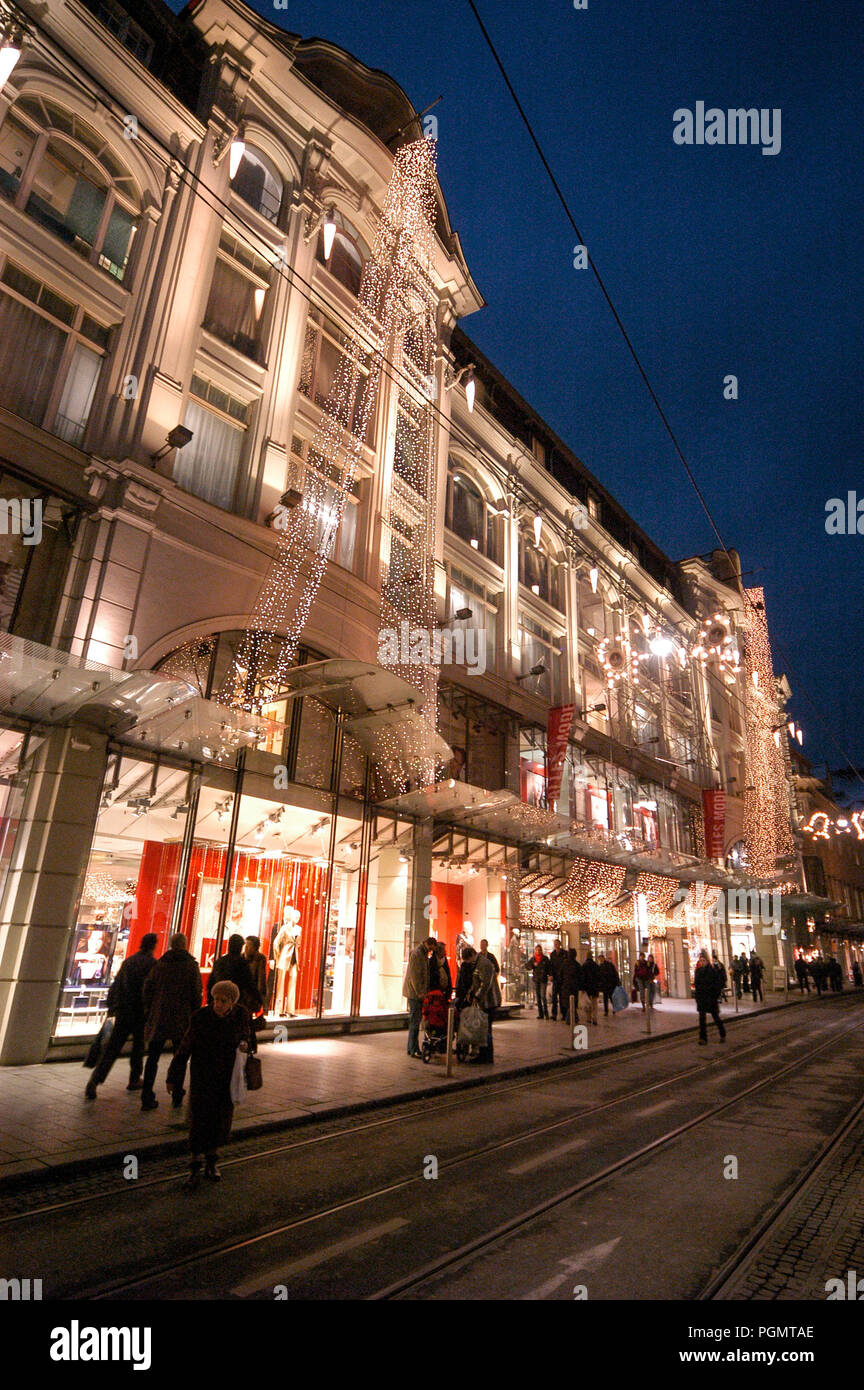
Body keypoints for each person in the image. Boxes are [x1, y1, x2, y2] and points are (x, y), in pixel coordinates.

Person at [167, 979, 255, 1190]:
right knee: (198, 1121)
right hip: (203, 1077)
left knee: (220, 1122)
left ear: (232, 1002)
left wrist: (245, 1044)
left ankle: (212, 1162)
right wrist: (174, 1077)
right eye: (216, 999)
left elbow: (248, 1037)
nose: (218, 1004)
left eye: (223, 1001)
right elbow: (184, 1049)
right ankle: (195, 1166)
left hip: (226, 1079)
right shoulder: (201, 1018)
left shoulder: (240, 1017)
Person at [85, 933, 158, 1099]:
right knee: (139, 1047)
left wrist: (112, 1006)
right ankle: (134, 1078)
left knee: (112, 1048)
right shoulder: (152, 964)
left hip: (124, 1011)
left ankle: (95, 1080)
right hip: (140, 1013)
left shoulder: (129, 962)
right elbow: (151, 990)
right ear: (153, 946)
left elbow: (117, 984)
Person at [140, 933, 202, 1112]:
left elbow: (148, 988)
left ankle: (146, 1095)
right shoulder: (191, 966)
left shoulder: (160, 965)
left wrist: (150, 1009)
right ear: (185, 945)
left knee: (153, 1058)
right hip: (181, 1018)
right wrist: (194, 1015)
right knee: (180, 1056)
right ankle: (176, 1094)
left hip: (159, 1017)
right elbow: (196, 994)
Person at [209, 933, 261, 1015]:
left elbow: (211, 983)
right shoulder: (242, 964)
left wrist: (210, 1001)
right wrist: (259, 999)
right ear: (240, 947)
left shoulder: (220, 962)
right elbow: (250, 984)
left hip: (219, 1001)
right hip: (237, 1002)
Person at [403, 936, 435, 1058]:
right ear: (428, 944)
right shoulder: (418, 954)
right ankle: (413, 1049)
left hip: (417, 993)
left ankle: (411, 1048)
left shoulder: (423, 954)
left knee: (415, 1020)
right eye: (431, 948)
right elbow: (415, 976)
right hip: (415, 994)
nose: (431, 951)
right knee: (415, 1021)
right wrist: (420, 992)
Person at [469, 943, 501, 1063]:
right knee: (484, 1028)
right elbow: (477, 982)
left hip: (490, 1001)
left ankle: (487, 1056)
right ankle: (484, 1054)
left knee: (486, 1029)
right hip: (485, 1001)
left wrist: (477, 996)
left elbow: (485, 984)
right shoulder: (478, 963)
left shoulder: (484, 964)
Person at [694, 948, 726, 1045]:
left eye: (704, 960)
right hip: (702, 998)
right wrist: (697, 996)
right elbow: (697, 984)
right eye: (701, 960)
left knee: (715, 1016)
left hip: (711, 998)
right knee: (702, 1019)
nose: (702, 962)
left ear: (707, 961)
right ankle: (703, 1038)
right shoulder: (698, 971)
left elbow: (716, 984)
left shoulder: (712, 971)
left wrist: (715, 996)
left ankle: (722, 1033)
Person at [243, 936, 268, 1016]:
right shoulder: (241, 957)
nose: (246, 948)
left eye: (248, 946)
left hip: (251, 996)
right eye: (245, 945)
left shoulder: (259, 959)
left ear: (255, 948)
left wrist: (260, 999)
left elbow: (261, 980)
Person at [560, 947, 583, 1025]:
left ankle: (571, 1018)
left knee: (568, 1002)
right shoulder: (577, 965)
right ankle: (572, 1018)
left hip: (566, 986)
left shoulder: (564, 964)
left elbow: (560, 975)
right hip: (574, 986)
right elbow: (581, 976)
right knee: (573, 1002)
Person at [529, 944, 550, 1019]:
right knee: (538, 997)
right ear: (535, 950)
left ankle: (546, 1013)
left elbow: (549, 968)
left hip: (543, 979)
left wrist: (550, 975)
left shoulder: (545, 959)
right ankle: (540, 1014)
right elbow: (528, 966)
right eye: (537, 950)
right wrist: (533, 965)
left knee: (543, 996)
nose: (538, 951)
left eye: (539, 950)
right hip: (536, 980)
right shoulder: (533, 959)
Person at [549, 940, 567, 1020]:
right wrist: (551, 975)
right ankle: (554, 1014)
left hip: (562, 978)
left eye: (557, 944)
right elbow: (551, 966)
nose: (556, 945)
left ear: (560, 944)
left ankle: (563, 1014)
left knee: (562, 997)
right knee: (554, 997)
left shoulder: (564, 954)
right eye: (555, 944)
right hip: (555, 978)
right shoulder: (552, 954)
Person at [580, 951, 601, 1025]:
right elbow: (599, 976)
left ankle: (588, 1018)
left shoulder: (584, 966)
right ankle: (595, 1018)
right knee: (594, 1003)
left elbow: (582, 978)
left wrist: (582, 988)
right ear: (592, 956)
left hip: (587, 988)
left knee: (588, 1003)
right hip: (594, 987)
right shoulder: (596, 965)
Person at [597, 952, 620, 1017]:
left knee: (608, 997)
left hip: (608, 984)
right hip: (608, 984)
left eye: (600, 959)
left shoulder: (606, 965)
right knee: (607, 997)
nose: (600, 960)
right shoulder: (605, 965)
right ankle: (608, 1010)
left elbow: (613, 974)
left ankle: (608, 1010)